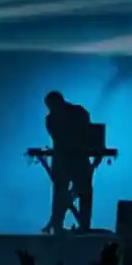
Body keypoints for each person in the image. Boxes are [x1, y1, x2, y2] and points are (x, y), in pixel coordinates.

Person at [42, 90, 93, 234]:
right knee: (64, 193)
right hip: (68, 158)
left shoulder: (76, 113)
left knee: (79, 193)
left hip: (73, 158)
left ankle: (80, 225)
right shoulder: (54, 117)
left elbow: (83, 132)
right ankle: (60, 225)